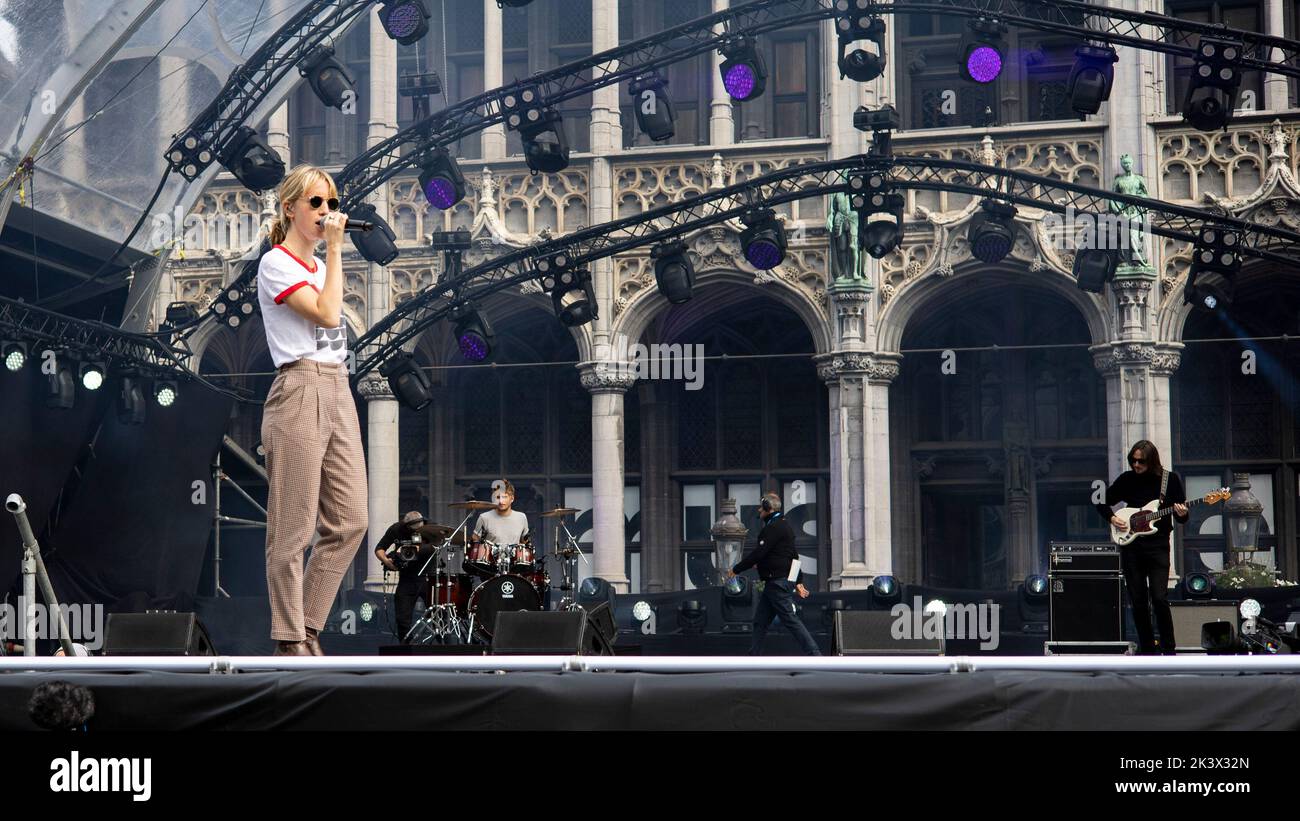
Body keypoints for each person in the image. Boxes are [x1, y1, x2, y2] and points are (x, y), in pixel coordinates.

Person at [258, 164, 368, 656]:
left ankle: (307, 625)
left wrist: (332, 258)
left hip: (337, 384)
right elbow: (325, 315)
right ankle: (288, 637)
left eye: (332, 204)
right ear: (291, 209)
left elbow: (334, 331)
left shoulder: (323, 269)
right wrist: (338, 248)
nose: (327, 213)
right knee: (293, 528)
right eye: (317, 204)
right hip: (298, 386)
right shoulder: (276, 264)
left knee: (351, 520)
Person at [1096, 440, 1189, 655]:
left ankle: (1169, 649)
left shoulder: (1170, 480)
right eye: (1133, 460)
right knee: (1138, 601)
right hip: (1132, 547)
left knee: (1159, 598)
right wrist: (1112, 518)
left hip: (1158, 547)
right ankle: (1147, 649)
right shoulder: (1127, 480)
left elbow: (1181, 517)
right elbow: (1101, 500)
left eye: (1141, 461)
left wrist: (1183, 513)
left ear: (1152, 460)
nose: (1136, 465)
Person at [726, 492, 820, 656]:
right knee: (760, 622)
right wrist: (798, 581)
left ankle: (814, 654)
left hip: (776, 582)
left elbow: (759, 554)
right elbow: (792, 556)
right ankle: (753, 655)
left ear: (768, 509)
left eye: (761, 507)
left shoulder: (772, 529)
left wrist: (736, 569)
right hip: (775, 583)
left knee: (790, 619)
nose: (759, 510)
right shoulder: (785, 526)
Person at [374, 511, 450, 642]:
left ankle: (445, 648)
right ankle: (405, 649)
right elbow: (379, 548)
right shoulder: (396, 529)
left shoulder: (432, 527)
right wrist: (387, 561)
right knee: (402, 618)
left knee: (439, 616)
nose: (417, 531)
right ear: (406, 525)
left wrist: (415, 549)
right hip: (407, 578)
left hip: (429, 577)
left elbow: (437, 546)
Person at [469, 480, 531, 560]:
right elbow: (475, 541)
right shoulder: (484, 518)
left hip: (513, 565)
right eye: (498, 497)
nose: (501, 501)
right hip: (490, 564)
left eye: (504, 497)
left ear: (512, 498)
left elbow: (524, 542)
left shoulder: (521, 517)